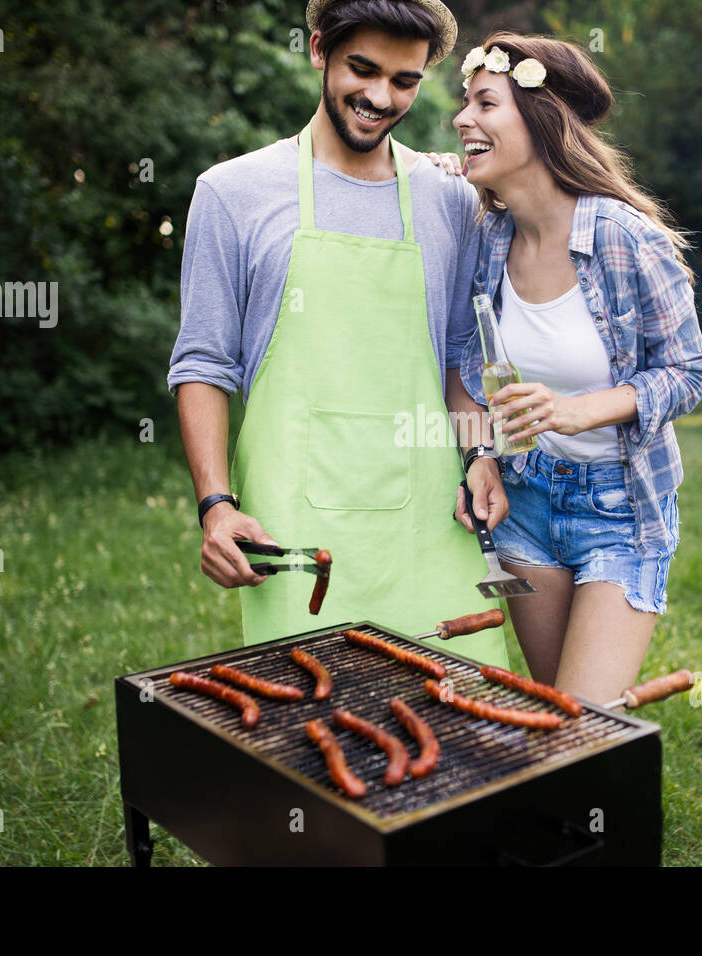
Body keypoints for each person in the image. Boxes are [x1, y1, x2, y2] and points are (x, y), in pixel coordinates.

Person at [167, 0, 509, 666]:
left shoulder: (450, 197)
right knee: (312, 732)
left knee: (467, 733)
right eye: (363, 69)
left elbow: (458, 363)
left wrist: (479, 459)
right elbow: (204, 364)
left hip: (430, 525)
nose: (381, 97)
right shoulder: (231, 192)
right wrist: (215, 505)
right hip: (295, 527)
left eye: (405, 81)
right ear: (319, 49)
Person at [449, 32, 702, 706]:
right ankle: (571, 816)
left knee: (587, 724)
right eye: (463, 102)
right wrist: (481, 457)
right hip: (526, 501)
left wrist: (581, 409)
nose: (461, 119)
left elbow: (690, 369)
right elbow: (467, 359)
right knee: (554, 713)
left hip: (620, 509)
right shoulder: (490, 237)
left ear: (540, 123)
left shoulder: (626, 238)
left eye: (485, 103)